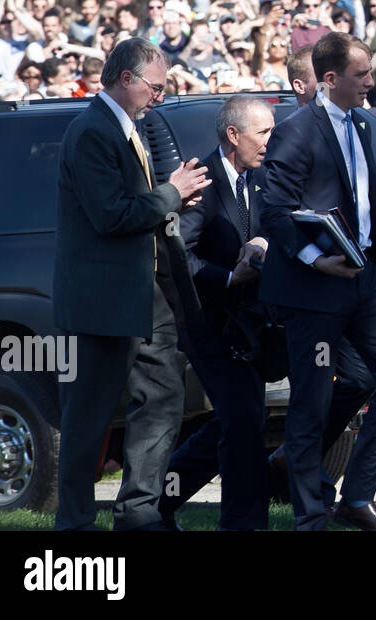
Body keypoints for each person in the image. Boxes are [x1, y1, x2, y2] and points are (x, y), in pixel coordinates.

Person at [259, 32, 376, 531]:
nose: (372, 82)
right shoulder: (296, 131)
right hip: (315, 284)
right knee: (313, 399)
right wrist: (313, 258)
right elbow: (274, 211)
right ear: (330, 80)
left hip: (365, 277)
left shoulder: (365, 125)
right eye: (362, 75)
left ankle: (357, 498)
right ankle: (311, 516)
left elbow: (374, 210)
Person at [54, 38, 212, 531]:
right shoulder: (92, 132)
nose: (160, 97)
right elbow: (109, 216)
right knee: (89, 417)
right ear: (126, 79)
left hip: (146, 295)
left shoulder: (124, 128)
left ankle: (140, 514)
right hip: (103, 301)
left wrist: (171, 201)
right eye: (156, 87)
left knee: (163, 401)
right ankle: (74, 522)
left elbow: (132, 209)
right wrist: (170, 192)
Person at [159, 95, 275, 530]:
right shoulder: (202, 185)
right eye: (262, 132)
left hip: (250, 327)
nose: (270, 141)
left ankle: (156, 499)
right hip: (208, 325)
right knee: (244, 420)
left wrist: (263, 243)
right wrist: (228, 278)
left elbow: (272, 225)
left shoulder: (260, 178)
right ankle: (243, 524)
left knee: (240, 420)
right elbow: (177, 255)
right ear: (233, 135)